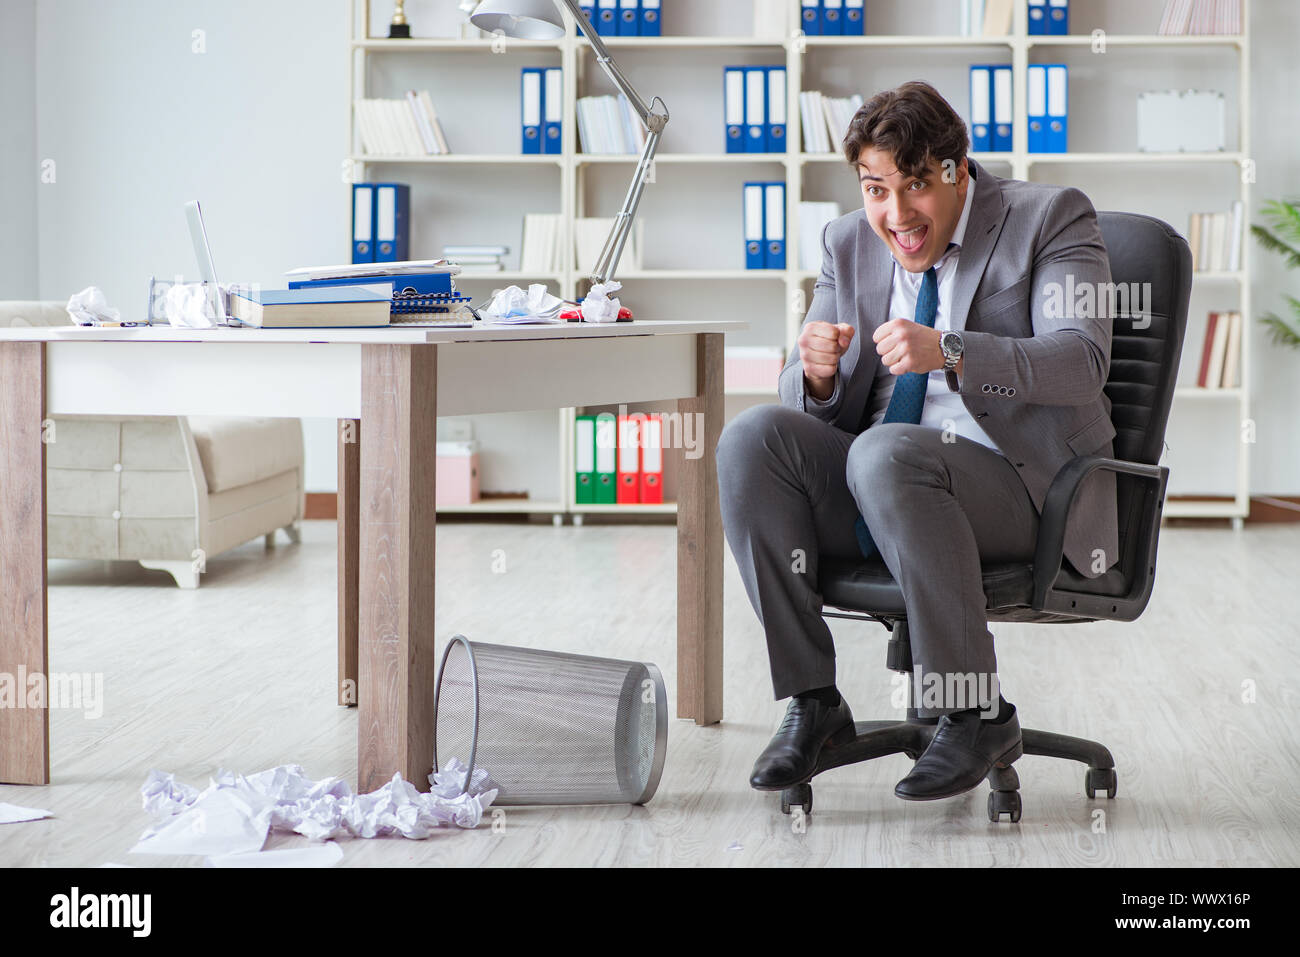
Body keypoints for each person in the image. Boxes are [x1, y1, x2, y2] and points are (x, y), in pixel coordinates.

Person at [716, 80, 1118, 802]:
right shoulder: (847, 241)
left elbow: (1081, 358)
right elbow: (820, 407)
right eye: (875, 189)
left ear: (957, 169)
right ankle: (814, 701)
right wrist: (810, 378)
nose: (895, 215)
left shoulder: (1050, 218)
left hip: (1019, 488)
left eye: (916, 186)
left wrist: (955, 350)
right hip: (885, 481)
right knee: (751, 437)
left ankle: (974, 710)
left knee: (884, 451)